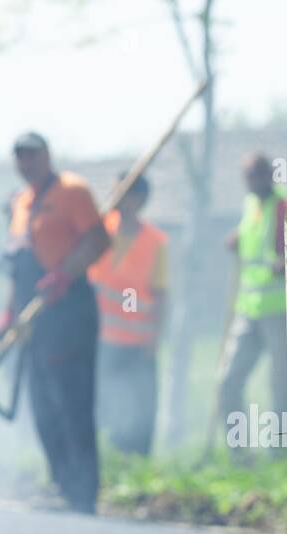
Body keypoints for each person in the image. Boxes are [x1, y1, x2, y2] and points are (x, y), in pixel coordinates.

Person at [4, 132, 110, 512]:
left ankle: (84, 491)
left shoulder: (72, 191)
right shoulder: (21, 203)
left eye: (32, 155)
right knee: (42, 403)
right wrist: (8, 312)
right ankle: (63, 483)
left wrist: (65, 275)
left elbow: (98, 240)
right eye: (19, 156)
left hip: (70, 310)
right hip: (33, 315)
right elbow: (17, 265)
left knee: (72, 400)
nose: (25, 162)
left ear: (47, 155)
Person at [88, 172, 167, 455]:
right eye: (115, 192)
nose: (118, 199)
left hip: (138, 340)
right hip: (101, 337)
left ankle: (137, 460)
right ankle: (107, 457)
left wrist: (153, 339)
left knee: (140, 405)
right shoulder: (98, 232)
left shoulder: (155, 241)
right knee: (105, 402)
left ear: (140, 199)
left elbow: (159, 295)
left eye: (125, 194)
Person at [216, 152, 287, 451]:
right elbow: (252, 236)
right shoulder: (250, 205)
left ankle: (280, 451)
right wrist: (236, 238)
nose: (254, 182)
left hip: (276, 311)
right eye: (249, 176)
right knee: (228, 381)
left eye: (259, 175)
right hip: (247, 311)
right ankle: (238, 452)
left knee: (280, 386)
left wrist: (286, 257)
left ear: (270, 175)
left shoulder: (285, 206)